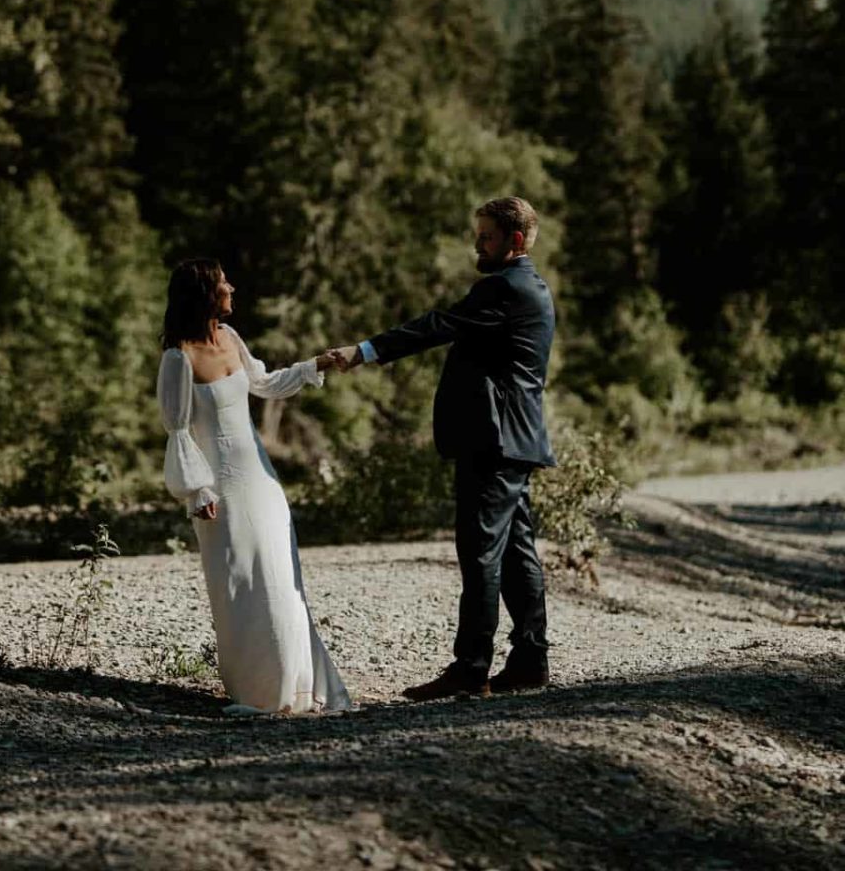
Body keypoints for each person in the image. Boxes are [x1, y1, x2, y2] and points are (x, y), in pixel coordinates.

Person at [325, 196, 555, 701]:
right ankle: (529, 661)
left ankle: (471, 669)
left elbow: (438, 324)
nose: (478, 243)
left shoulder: (503, 287)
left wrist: (364, 351)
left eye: (487, 236)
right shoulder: (529, 286)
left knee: (480, 556)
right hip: (513, 439)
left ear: (514, 241)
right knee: (516, 554)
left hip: (494, 441)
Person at [157, 258, 350, 716]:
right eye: (223, 281)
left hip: (260, 481)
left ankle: (300, 686)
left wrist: (312, 366)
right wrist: (196, 491)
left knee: (282, 578)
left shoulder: (231, 339)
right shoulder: (177, 358)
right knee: (242, 584)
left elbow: (263, 384)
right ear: (205, 292)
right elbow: (178, 430)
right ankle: (261, 692)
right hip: (218, 490)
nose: (232, 286)